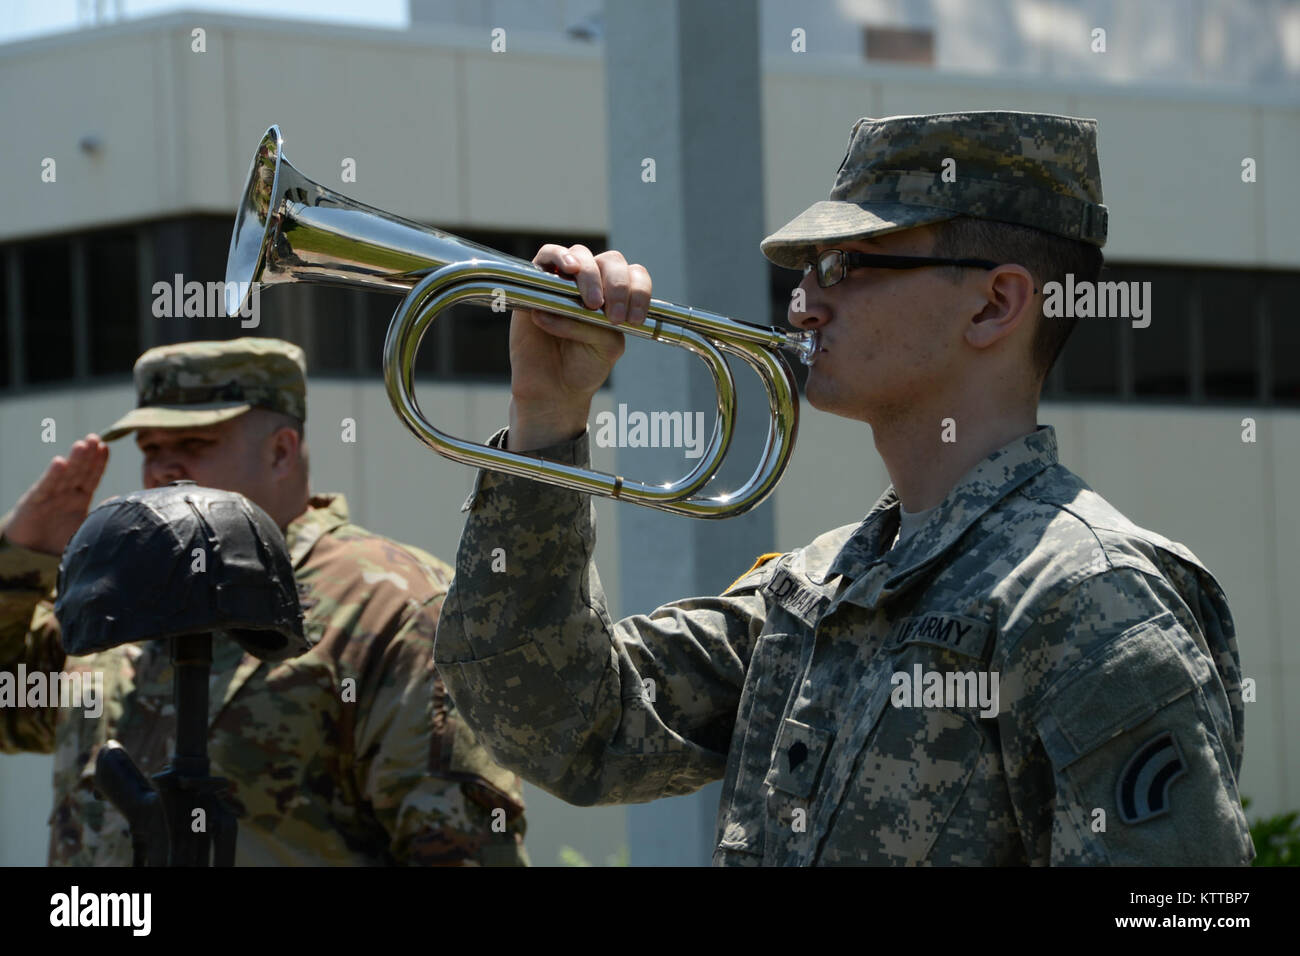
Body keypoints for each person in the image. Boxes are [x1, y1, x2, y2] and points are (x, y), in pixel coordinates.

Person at [433, 111, 1254, 865]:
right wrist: (548, 417)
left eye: (845, 265)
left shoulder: (1093, 599)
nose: (802, 307)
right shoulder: (817, 591)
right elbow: (563, 722)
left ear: (995, 304)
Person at [0, 337, 528, 866]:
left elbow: (463, 853)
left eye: (195, 445)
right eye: (151, 450)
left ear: (280, 451)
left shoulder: (397, 609)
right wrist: (20, 563)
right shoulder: (124, 597)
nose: (162, 470)